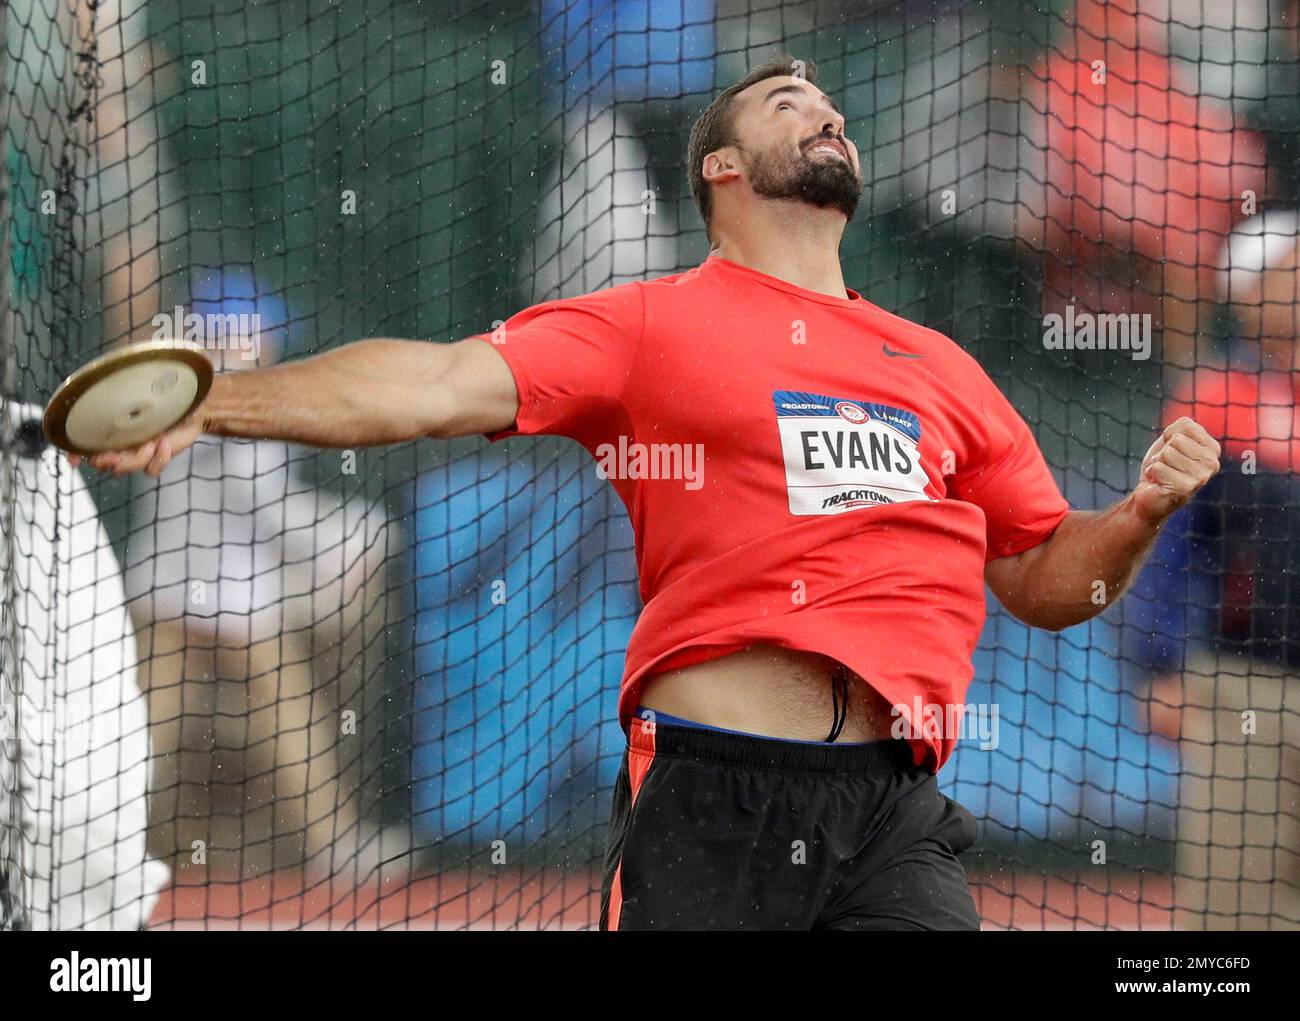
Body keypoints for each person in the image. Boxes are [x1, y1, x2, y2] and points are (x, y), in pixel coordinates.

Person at [75, 54, 1222, 931]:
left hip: (892, 811)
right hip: (716, 797)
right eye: (785, 102)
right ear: (720, 167)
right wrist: (214, 400)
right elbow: (426, 382)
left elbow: (1041, 578)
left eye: (830, 106)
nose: (825, 112)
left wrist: (1135, 517)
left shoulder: (941, 367)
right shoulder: (645, 325)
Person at [1127, 207, 1300, 930]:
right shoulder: (1214, 397)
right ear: (1249, 292)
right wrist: (1156, 666)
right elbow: (1168, 547)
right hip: (1249, 686)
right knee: (1233, 912)